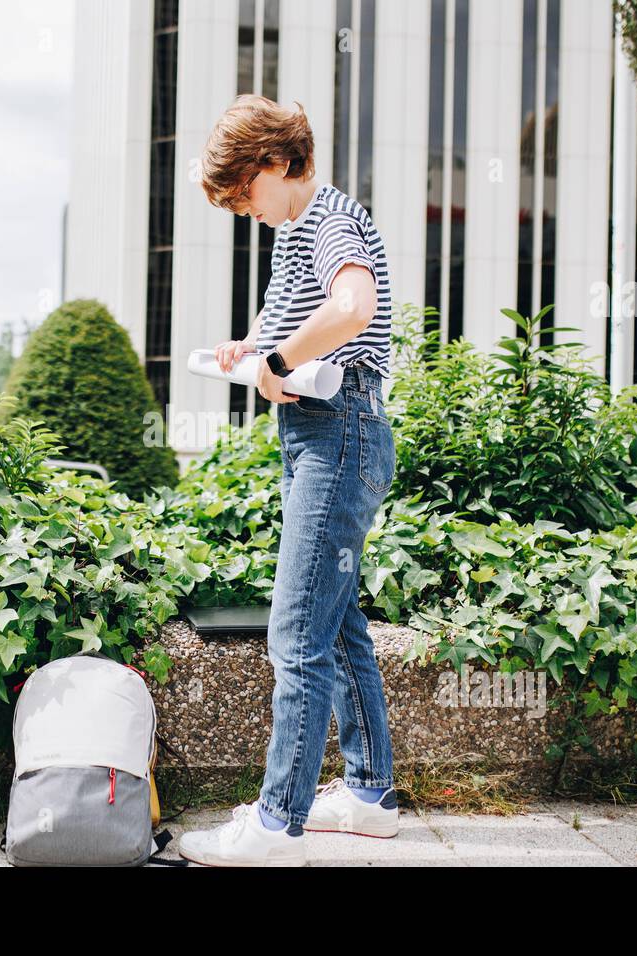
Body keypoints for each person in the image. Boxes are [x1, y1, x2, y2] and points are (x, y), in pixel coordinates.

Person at [177, 95, 397, 867]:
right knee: (336, 625)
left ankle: (276, 825)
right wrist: (249, 350)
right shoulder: (293, 235)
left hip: (340, 433)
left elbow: (352, 307)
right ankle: (369, 796)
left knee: (296, 628)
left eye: (243, 192)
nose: (243, 209)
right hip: (326, 434)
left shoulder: (330, 216)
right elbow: (295, 330)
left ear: (274, 161)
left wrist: (274, 364)